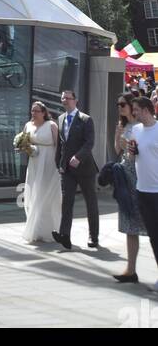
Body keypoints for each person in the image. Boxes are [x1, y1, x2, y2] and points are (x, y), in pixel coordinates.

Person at [52, 89, 99, 250]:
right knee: (67, 202)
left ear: (75, 100)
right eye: (63, 98)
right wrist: (58, 162)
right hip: (67, 169)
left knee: (90, 202)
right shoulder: (60, 119)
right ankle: (65, 235)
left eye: (68, 98)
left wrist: (78, 157)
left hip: (85, 168)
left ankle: (94, 236)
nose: (65, 100)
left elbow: (89, 143)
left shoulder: (85, 119)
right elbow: (61, 144)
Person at [113, 92, 147, 283]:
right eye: (118, 105)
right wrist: (118, 137)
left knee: (148, 223)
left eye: (123, 104)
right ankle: (130, 269)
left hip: (141, 177)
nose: (120, 108)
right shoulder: (122, 126)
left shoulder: (143, 126)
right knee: (129, 224)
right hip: (125, 177)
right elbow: (117, 151)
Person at [127, 95, 158, 290]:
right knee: (154, 236)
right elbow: (131, 158)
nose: (133, 113)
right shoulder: (136, 130)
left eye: (136, 109)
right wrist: (132, 152)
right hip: (142, 190)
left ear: (146, 109)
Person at [19, 100, 60, 243]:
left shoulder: (52, 125)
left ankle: (48, 230)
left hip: (48, 163)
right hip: (34, 162)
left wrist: (59, 164)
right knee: (33, 193)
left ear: (44, 113)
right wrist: (24, 147)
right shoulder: (28, 125)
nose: (34, 113)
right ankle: (35, 229)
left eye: (36, 111)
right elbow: (23, 141)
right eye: (32, 111)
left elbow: (58, 145)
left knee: (45, 194)